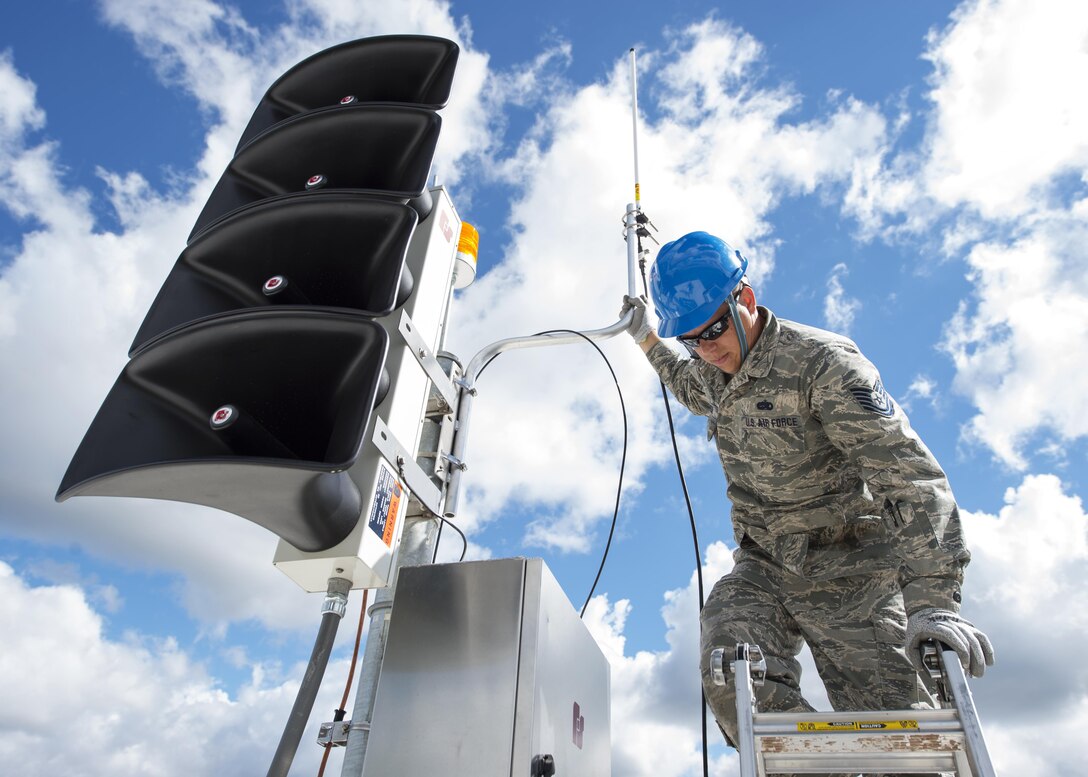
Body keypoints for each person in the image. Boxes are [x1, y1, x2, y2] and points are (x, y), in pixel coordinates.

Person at [621, 231, 994, 752]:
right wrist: (646, 339)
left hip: (850, 566)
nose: (708, 349)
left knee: (902, 738)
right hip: (766, 567)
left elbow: (908, 478)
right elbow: (685, 383)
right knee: (730, 673)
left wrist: (934, 602)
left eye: (716, 329)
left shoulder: (823, 364)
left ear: (744, 299)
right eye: (694, 340)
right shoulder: (714, 369)